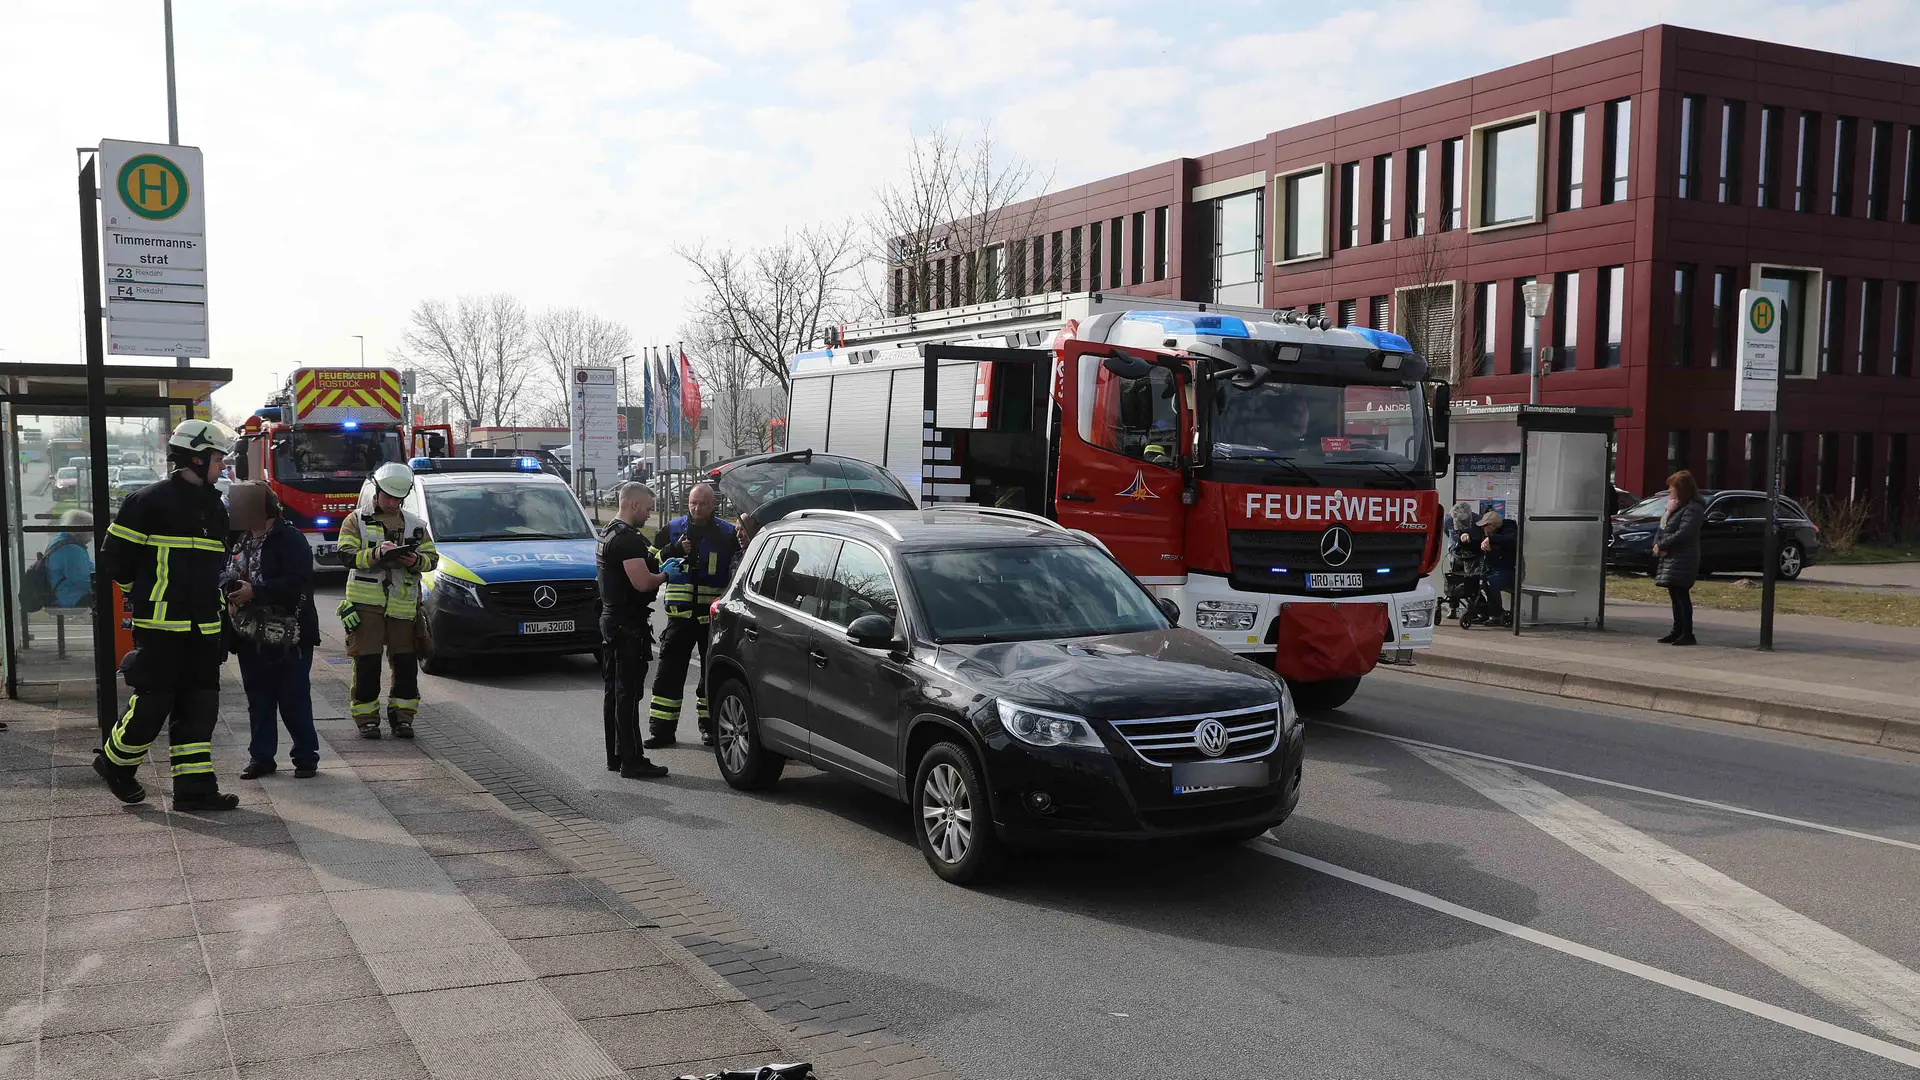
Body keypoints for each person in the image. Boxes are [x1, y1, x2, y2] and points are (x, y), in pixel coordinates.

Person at [95, 419, 240, 810]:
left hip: (204, 627)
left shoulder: (215, 508)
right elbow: (115, 559)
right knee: (153, 703)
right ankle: (115, 764)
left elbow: (215, 568)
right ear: (196, 457)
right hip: (160, 626)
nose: (222, 466)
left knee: (200, 706)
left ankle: (195, 790)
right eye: (217, 458)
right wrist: (142, 595)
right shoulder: (147, 502)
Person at [224, 483, 321, 779]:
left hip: (289, 633)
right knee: (258, 699)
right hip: (249, 633)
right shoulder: (238, 538)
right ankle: (261, 758)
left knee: (293, 697)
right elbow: (222, 569)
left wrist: (257, 592)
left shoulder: (289, 537)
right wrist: (228, 586)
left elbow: (298, 581)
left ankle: (305, 756)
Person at [336, 462, 439, 738]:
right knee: (367, 665)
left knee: (405, 666)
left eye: (398, 498)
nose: (393, 502)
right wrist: (377, 554)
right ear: (378, 491)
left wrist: (415, 560)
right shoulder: (355, 520)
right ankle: (367, 719)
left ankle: (403, 719)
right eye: (388, 497)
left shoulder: (416, 525)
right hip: (366, 607)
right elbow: (345, 555)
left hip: (403, 608)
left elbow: (432, 559)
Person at [645, 482, 739, 748]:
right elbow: (648, 562)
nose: (697, 508)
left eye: (704, 504)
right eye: (693, 503)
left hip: (712, 621)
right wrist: (671, 551)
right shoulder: (672, 529)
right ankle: (662, 731)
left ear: (714, 504)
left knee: (711, 677)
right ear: (687, 502)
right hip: (679, 617)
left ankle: (711, 729)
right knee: (668, 676)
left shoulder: (727, 534)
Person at [598, 483, 670, 779]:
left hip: (612, 620)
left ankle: (616, 756)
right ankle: (632, 760)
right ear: (635, 505)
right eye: (649, 508)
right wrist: (666, 575)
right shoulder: (626, 539)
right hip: (626, 625)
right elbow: (642, 583)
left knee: (614, 693)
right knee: (627, 694)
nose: (649, 514)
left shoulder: (607, 532)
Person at [1652, 469, 1706, 646]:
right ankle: (1677, 630)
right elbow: (1663, 527)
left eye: (1673, 487)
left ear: (1682, 489)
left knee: (1681, 594)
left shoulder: (1693, 509)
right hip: (1672, 556)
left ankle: (1687, 633)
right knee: (1674, 593)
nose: (1669, 491)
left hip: (1684, 557)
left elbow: (1684, 533)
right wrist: (1657, 544)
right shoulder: (1674, 508)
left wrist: (1663, 544)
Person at [47, 510, 95, 608]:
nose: (92, 537)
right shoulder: (72, 549)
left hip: (61, 593)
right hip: (71, 596)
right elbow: (82, 580)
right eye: (91, 531)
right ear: (82, 530)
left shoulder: (61, 540)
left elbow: (87, 566)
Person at [1478, 509, 1518, 625]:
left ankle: (1496, 614)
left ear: (1492, 526)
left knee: (1491, 582)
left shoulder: (1509, 533)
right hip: (1492, 569)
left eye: (1485, 526)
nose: (1482, 529)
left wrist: (1491, 539)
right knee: (1473, 579)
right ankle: (1482, 610)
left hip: (1508, 572)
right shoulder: (1486, 535)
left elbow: (1510, 540)